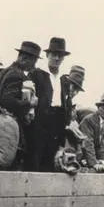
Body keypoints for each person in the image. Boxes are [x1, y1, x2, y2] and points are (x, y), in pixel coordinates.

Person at [0, 41, 41, 168]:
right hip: (10, 126)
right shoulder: (16, 75)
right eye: (34, 62)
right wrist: (29, 103)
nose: (34, 66)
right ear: (25, 58)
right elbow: (7, 100)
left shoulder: (6, 71)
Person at [29, 37, 72, 172]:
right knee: (36, 156)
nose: (57, 58)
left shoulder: (64, 79)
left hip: (57, 121)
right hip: (40, 120)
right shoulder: (37, 74)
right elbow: (30, 96)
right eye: (54, 55)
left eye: (60, 56)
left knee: (52, 158)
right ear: (47, 55)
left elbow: (67, 103)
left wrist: (66, 121)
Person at [78, 95, 104, 172]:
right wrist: (94, 163)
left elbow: (100, 144)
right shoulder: (89, 120)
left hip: (90, 156)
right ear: (98, 108)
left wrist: (102, 160)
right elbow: (88, 142)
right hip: (81, 155)